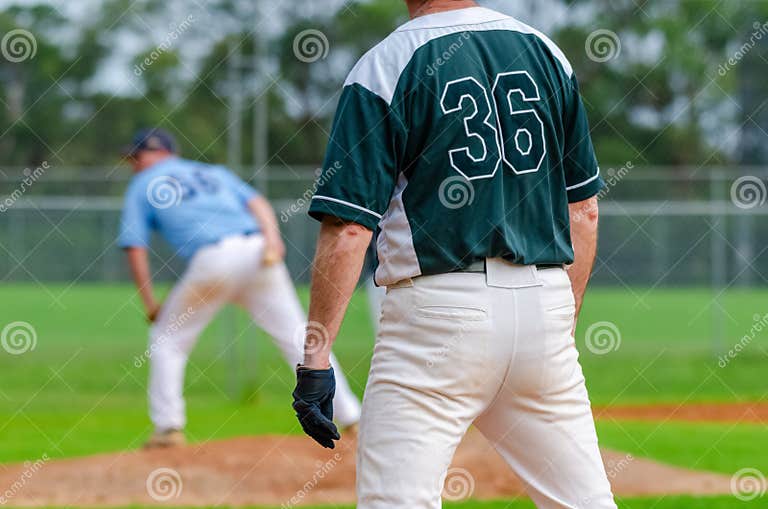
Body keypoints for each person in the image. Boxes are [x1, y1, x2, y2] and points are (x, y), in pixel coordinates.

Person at [291, 1, 617, 508]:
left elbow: (349, 228)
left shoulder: (388, 62)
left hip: (438, 317)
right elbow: (585, 210)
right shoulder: (546, 52)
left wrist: (315, 359)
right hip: (545, 305)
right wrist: (560, 324)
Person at [118, 128, 361, 448]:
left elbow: (134, 246)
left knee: (167, 340)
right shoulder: (212, 172)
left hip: (214, 258)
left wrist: (150, 304)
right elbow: (257, 203)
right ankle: (352, 418)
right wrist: (272, 239)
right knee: (303, 340)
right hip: (258, 252)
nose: (133, 164)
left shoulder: (142, 183)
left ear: (151, 154)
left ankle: (168, 428)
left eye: (135, 157)